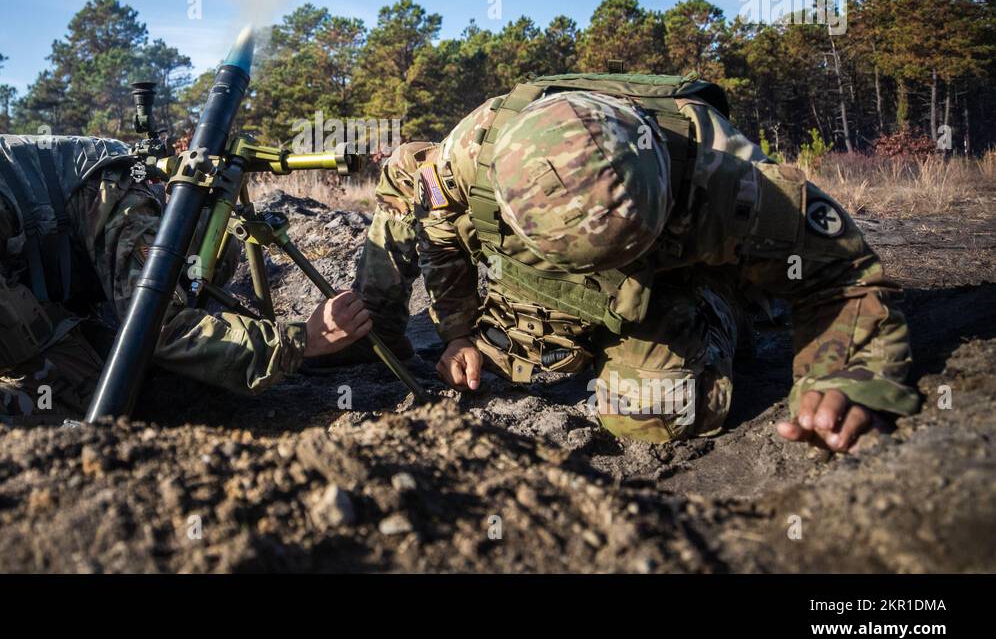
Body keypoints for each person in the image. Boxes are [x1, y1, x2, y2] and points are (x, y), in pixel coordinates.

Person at [353, 74, 919, 451]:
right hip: (523, 267)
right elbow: (439, 229)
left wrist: (845, 373)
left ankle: (720, 308)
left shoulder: (734, 184)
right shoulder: (474, 148)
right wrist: (455, 332)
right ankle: (374, 332)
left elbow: (843, 275)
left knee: (654, 416)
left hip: (666, 281)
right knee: (407, 188)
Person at [0, 131, 372, 423]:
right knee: (74, 392)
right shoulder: (128, 193)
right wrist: (301, 340)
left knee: (26, 343)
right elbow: (155, 326)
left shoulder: (90, 160)